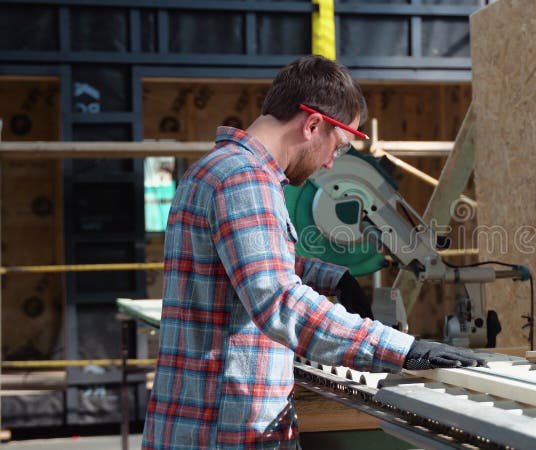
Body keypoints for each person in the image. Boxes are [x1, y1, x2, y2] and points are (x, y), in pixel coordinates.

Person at [142, 55, 484, 450]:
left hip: (200, 423)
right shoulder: (245, 179)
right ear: (313, 124)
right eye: (337, 148)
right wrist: (402, 349)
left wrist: (331, 275)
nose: (329, 163)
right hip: (225, 431)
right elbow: (280, 302)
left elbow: (244, 261)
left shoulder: (213, 169)